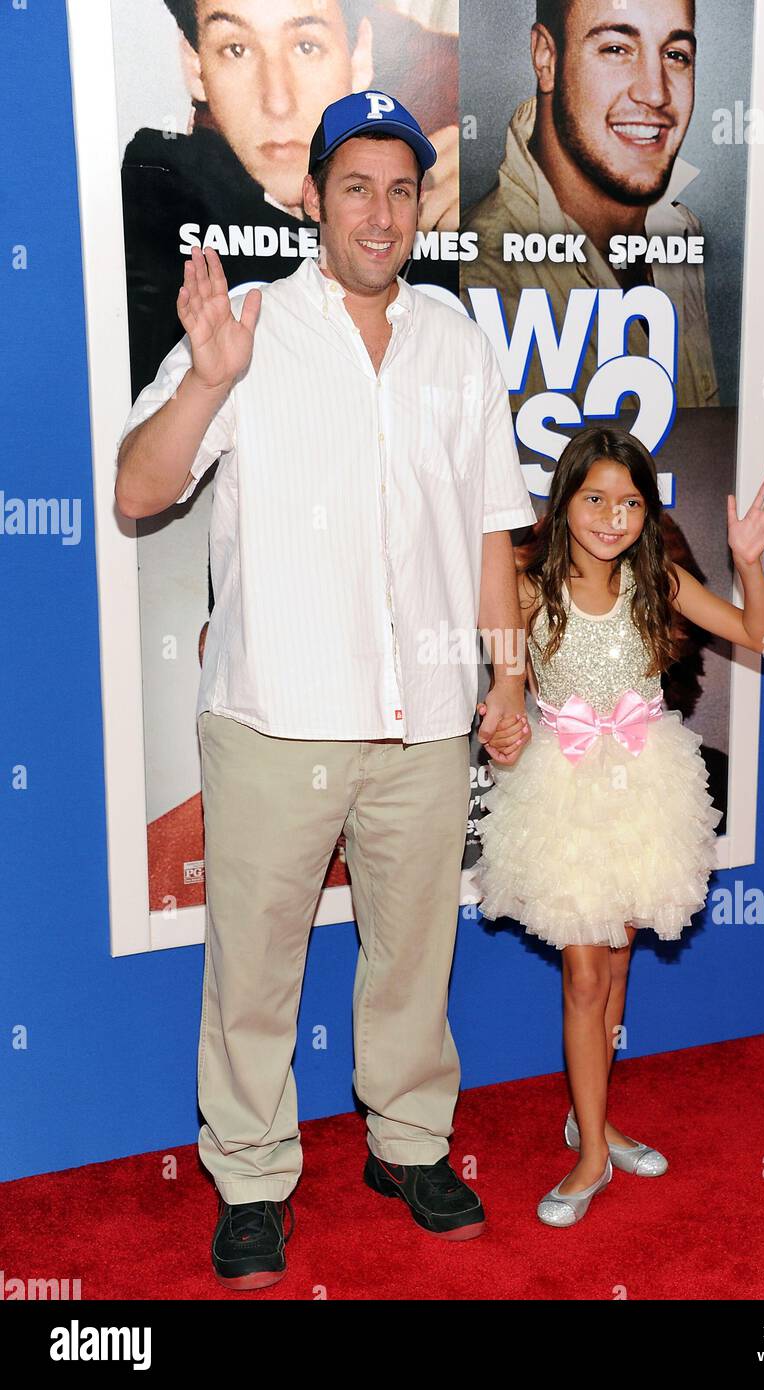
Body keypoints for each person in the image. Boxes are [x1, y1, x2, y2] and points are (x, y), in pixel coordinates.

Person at [114, 90, 536, 1288]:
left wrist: (505, 678)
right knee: (254, 968)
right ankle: (250, 1173)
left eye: (402, 189)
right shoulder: (245, 326)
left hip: (426, 724)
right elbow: (137, 490)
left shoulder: (457, 335)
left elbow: (493, 530)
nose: (381, 211)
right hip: (273, 716)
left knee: (415, 955)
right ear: (312, 198)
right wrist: (205, 382)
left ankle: (407, 1142)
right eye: (356, 186)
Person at [475, 424, 764, 1226]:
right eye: (595, 499)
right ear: (565, 500)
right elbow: (507, 690)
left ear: (647, 513)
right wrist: (502, 724)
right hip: (565, 792)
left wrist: (750, 564)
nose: (612, 517)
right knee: (585, 974)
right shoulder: (526, 585)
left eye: (629, 503)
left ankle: (596, 1119)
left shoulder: (661, 579)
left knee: (617, 964)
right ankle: (590, 1159)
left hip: (645, 787)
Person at [124, 0, 460, 395]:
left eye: (306, 47)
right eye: (237, 49)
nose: (277, 101)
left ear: (360, 56)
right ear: (194, 65)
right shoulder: (159, 182)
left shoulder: (443, 110)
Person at [461, 0, 720, 412]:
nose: (655, 92)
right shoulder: (480, 277)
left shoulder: (679, 229)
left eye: (675, 55)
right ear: (546, 58)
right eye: (617, 49)